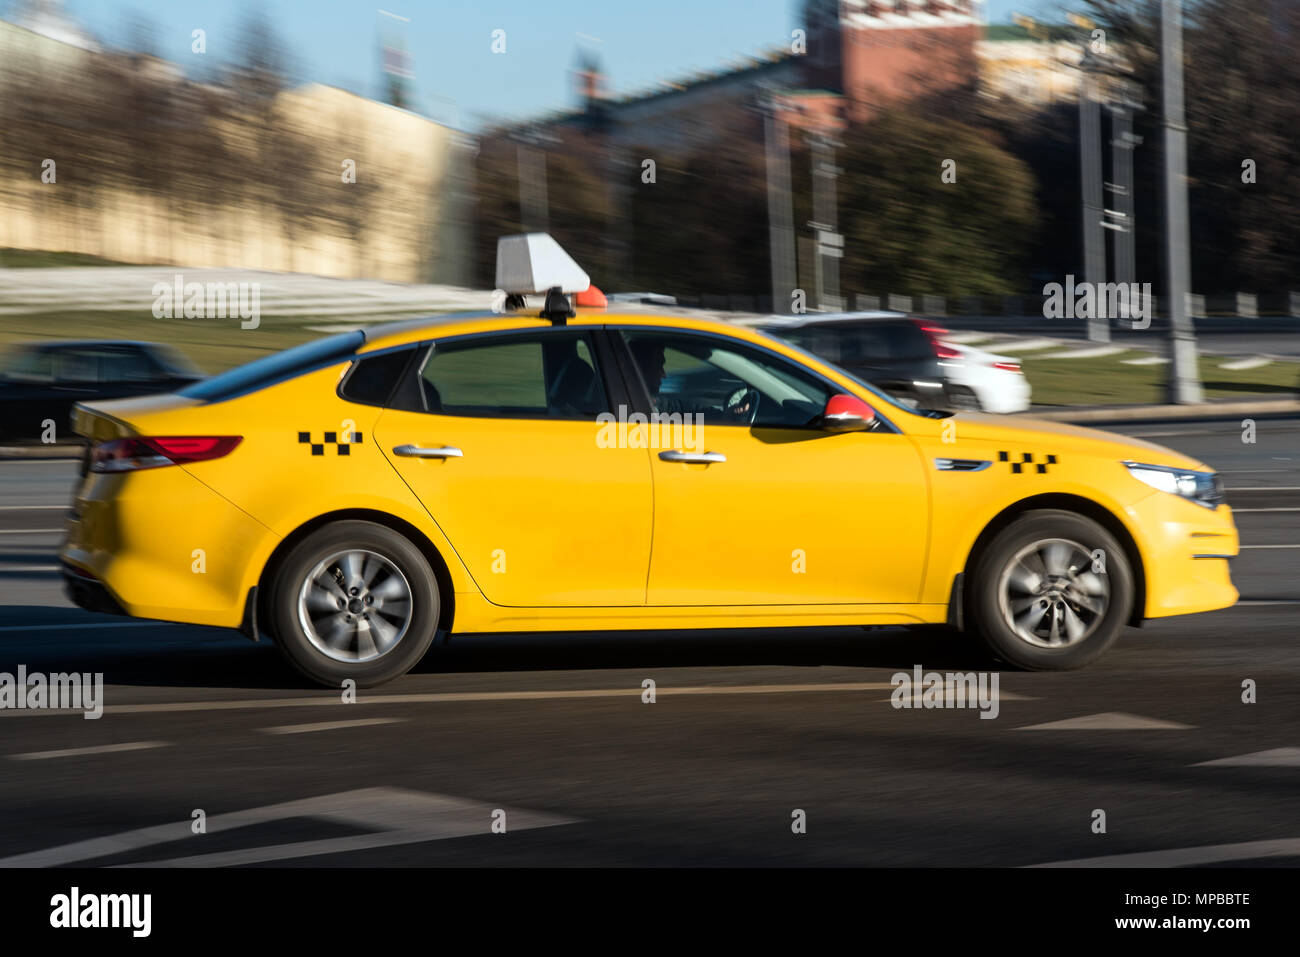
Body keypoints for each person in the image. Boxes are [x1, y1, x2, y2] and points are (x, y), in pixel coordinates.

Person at [627, 338, 754, 422]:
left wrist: (723, 416)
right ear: (640, 367)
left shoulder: (648, 402)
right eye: (659, 365)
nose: (663, 374)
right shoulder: (629, 408)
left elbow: (682, 409)